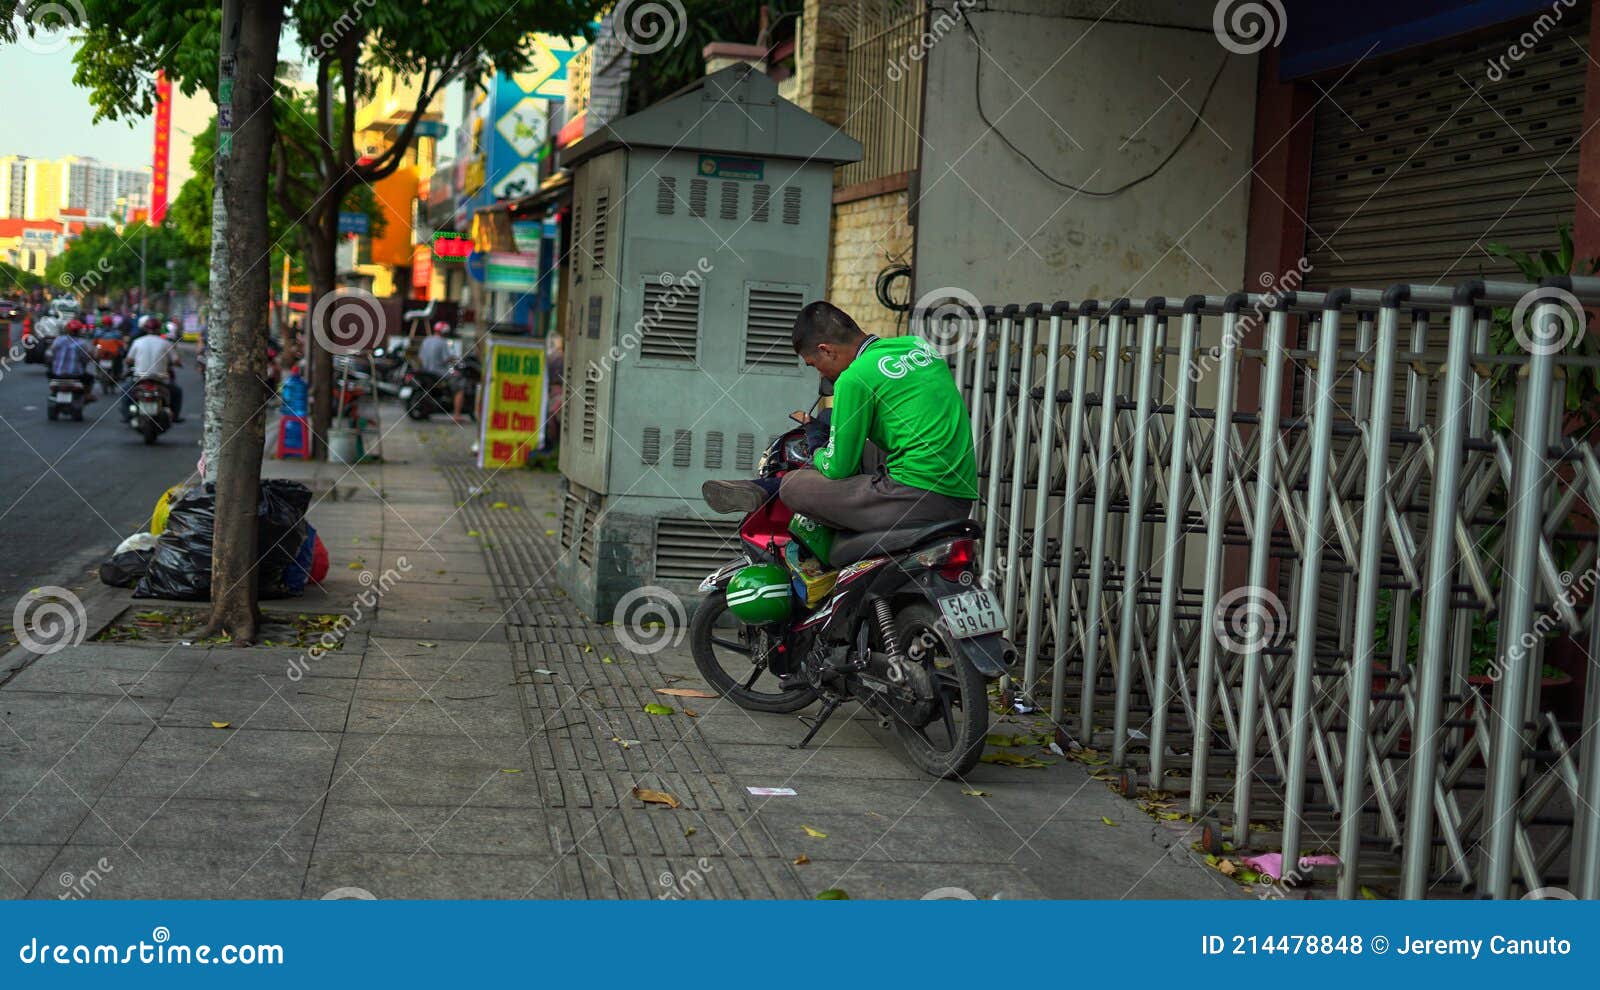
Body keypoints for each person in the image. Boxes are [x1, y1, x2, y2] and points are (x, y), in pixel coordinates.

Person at [701, 301, 977, 534]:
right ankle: (763, 489)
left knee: (795, 486)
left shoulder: (854, 378)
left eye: (814, 365)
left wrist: (819, 447)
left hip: (916, 497)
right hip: (960, 494)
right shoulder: (918, 347)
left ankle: (771, 487)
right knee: (865, 447)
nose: (820, 375)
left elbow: (838, 468)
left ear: (826, 350)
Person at [125, 322, 184, 422]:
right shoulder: (166, 343)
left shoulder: (137, 341)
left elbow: (128, 360)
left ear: (145, 329)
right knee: (177, 392)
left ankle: (127, 415)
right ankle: (175, 417)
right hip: (160, 379)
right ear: (159, 329)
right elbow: (176, 361)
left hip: (140, 378)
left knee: (126, 390)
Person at [47, 319, 99, 400]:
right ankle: (87, 394)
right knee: (90, 378)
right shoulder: (82, 343)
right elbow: (86, 358)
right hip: (76, 375)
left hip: (57, 375)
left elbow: (50, 354)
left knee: (48, 372)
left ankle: (54, 393)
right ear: (79, 331)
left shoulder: (58, 340)